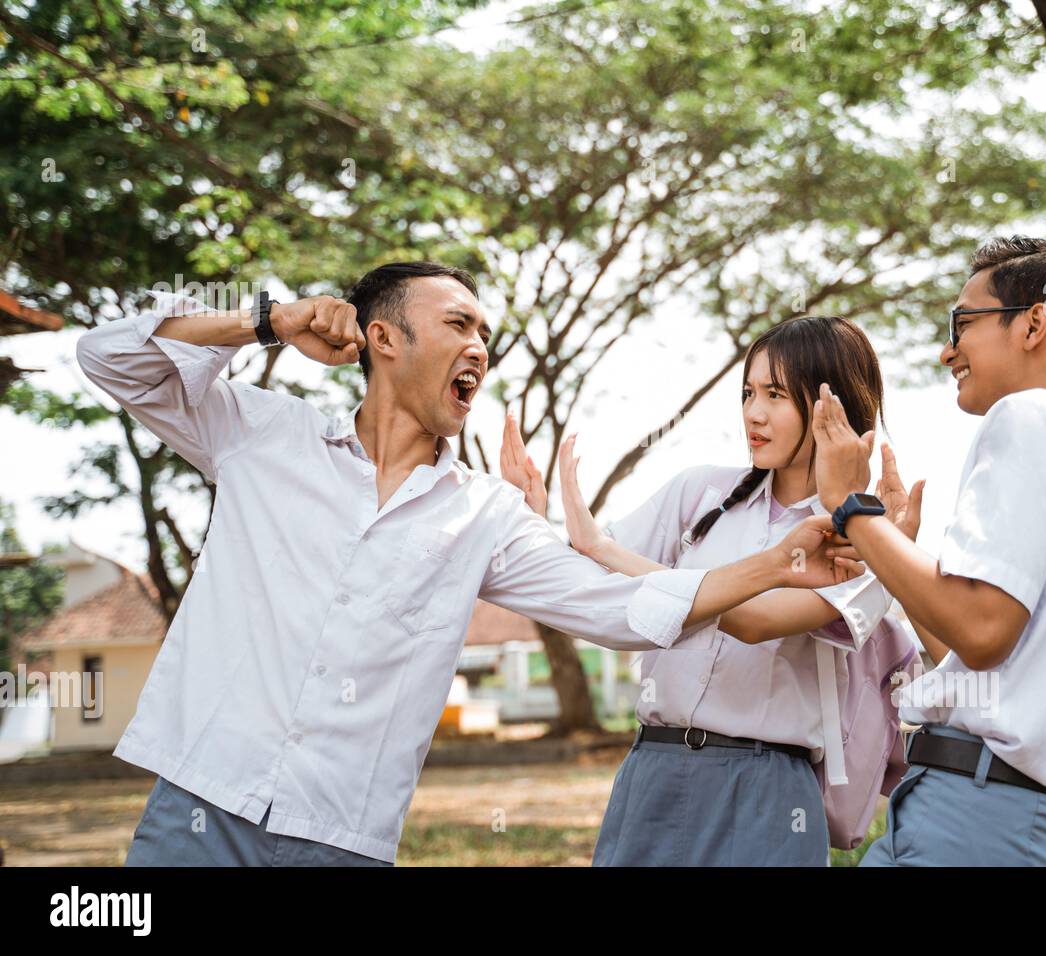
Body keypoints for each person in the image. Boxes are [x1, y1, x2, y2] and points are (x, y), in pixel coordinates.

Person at [78, 261, 846, 867]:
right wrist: (269, 320)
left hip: (342, 835)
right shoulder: (260, 432)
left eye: (486, 333)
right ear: (383, 339)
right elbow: (109, 355)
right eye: (458, 324)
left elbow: (622, 612)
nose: (480, 346)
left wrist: (775, 562)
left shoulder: (486, 514)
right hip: (199, 808)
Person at [506, 315, 942, 865]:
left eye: (776, 394)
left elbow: (755, 620)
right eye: (748, 393)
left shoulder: (867, 538)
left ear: (832, 406)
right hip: (653, 768)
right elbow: (591, 589)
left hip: (768, 788)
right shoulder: (699, 493)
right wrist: (533, 522)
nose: (753, 414)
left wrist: (604, 548)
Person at [812, 236, 1046, 866]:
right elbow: (978, 658)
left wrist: (852, 506)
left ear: (1035, 322)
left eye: (963, 323)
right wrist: (893, 554)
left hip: (978, 821)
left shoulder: (1032, 419)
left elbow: (984, 631)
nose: (946, 349)